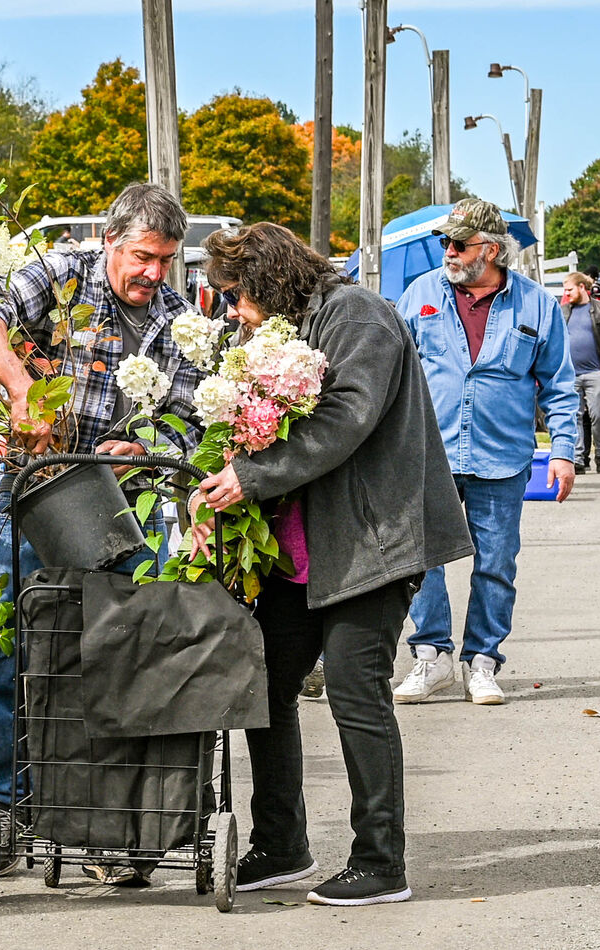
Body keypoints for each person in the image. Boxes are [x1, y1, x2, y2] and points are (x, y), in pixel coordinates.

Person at [189, 222, 472, 907]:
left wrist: (252, 476)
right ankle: (282, 846)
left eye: (235, 296)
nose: (232, 312)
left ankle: (381, 863)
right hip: (303, 548)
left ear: (268, 281)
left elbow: (347, 415)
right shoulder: (280, 330)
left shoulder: (359, 315)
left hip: (373, 541)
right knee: (267, 687)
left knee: (354, 691)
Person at [0, 182, 204, 885]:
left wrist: (151, 443)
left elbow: (191, 420)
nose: (155, 274)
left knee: (112, 657)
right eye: (144, 257)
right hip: (40, 492)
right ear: (111, 241)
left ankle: (107, 828)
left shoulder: (180, 320)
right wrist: (19, 386)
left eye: (166, 261)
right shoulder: (63, 274)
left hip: (128, 510)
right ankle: (12, 804)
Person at [393, 198, 578, 707]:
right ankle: (431, 656)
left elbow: (559, 385)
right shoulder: (420, 294)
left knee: (496, 564)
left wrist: (564, 451)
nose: (448, 252)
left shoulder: (536, 304)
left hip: (503, 458)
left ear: (492, 250)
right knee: (423, 562)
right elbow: (392, 373)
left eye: (459, 244)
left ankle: (482, 661)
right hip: (429, 453)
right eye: (444, 243)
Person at [561, 271, 600, 474]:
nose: (566, 294)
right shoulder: (564, 311)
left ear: (582, 288)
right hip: (571, 374)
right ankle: (578, 458)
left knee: (599, 416)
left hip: (597, 373)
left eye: (569, 289)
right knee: (573, 416)